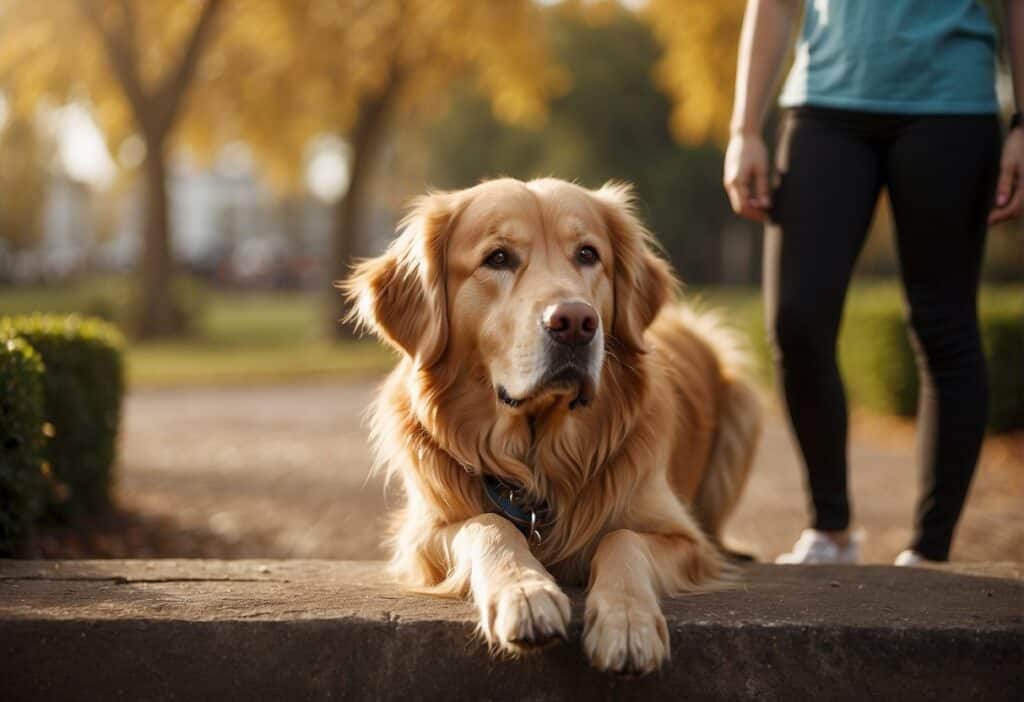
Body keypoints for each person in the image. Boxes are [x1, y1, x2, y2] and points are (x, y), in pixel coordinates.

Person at [724, 0, 1023, 565]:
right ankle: (830, 528)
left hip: (951, 105)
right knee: (797, 321)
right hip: (824, 104)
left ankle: (931, 552)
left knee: (943, 325)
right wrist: (744, 129)